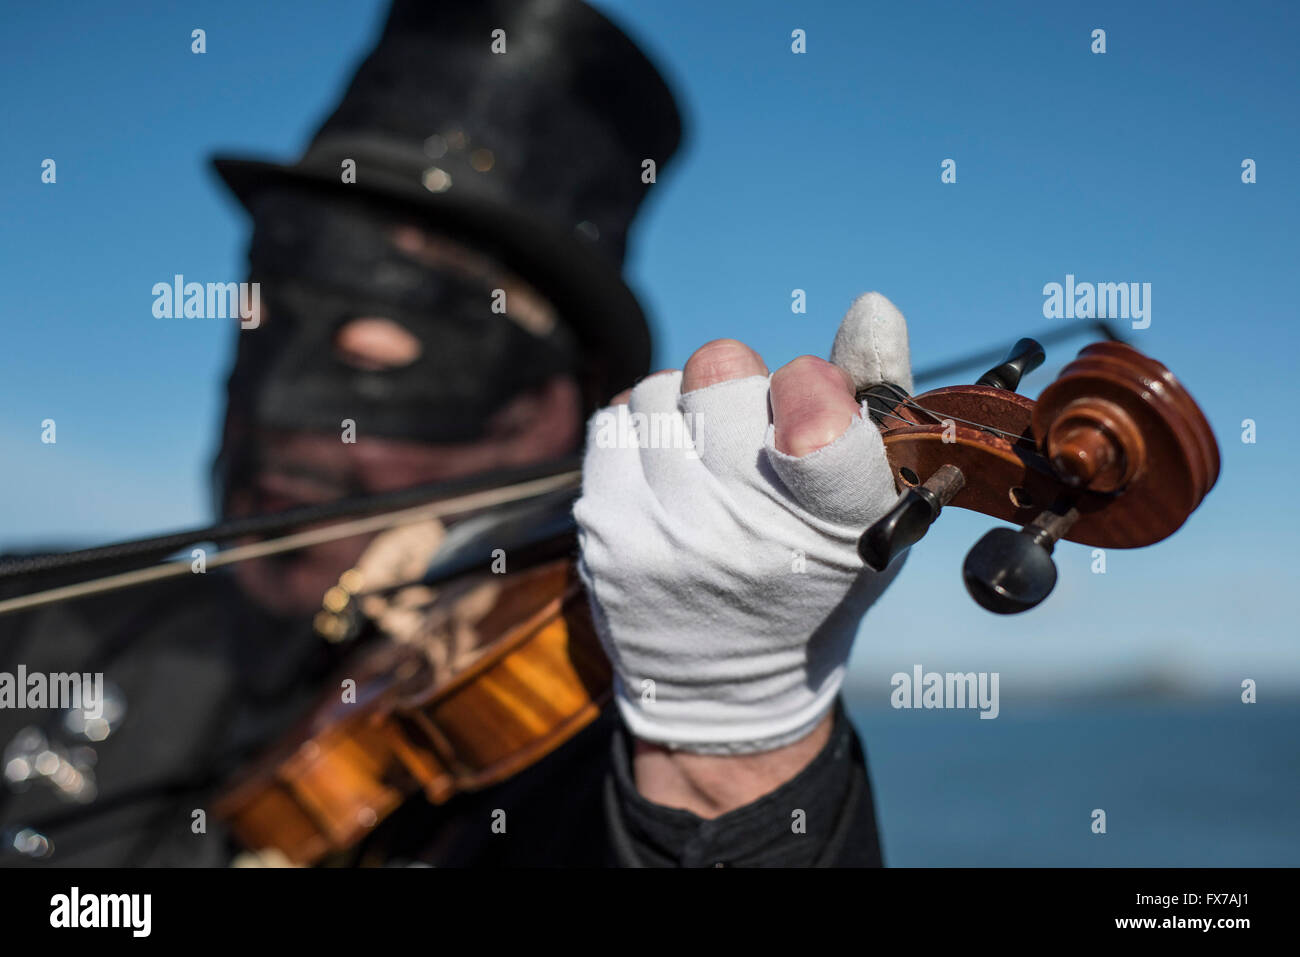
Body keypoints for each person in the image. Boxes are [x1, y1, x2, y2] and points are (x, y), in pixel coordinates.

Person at [0, 0, 911, 867]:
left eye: (394, 346)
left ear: (572, 401)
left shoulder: (579, 756)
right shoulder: (41, 623)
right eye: (271, 310)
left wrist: (732, 759)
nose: (284, 413)